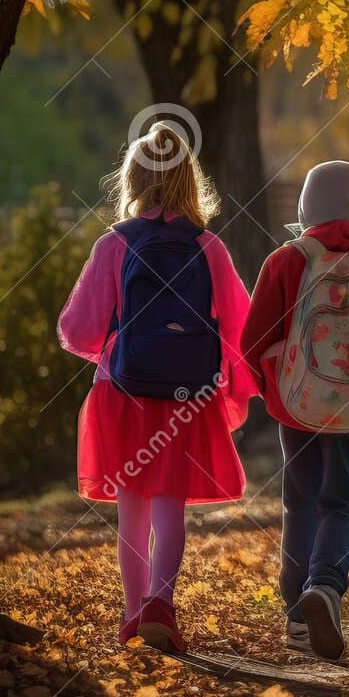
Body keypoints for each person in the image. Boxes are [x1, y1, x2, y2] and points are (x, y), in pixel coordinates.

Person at [58, 121, 256, 652]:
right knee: (170, 507)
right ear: (191, 182)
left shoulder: (113, 245)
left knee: (132, 509)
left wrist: (112, 346)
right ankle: (162, 606)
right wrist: (235, 389)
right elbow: (240, 326)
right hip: (186, 398)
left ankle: (130, 615)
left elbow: (77, 329)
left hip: (121, 393)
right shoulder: (210, 247)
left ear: (133, 179)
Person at [240, 161, 349, 659]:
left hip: (297, 405)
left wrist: (272, 387)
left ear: (306, 205)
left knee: (301, 501)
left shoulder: (287, 259)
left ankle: (297, 611)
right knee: (341, 500)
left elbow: (254, 339)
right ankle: (326, 587)